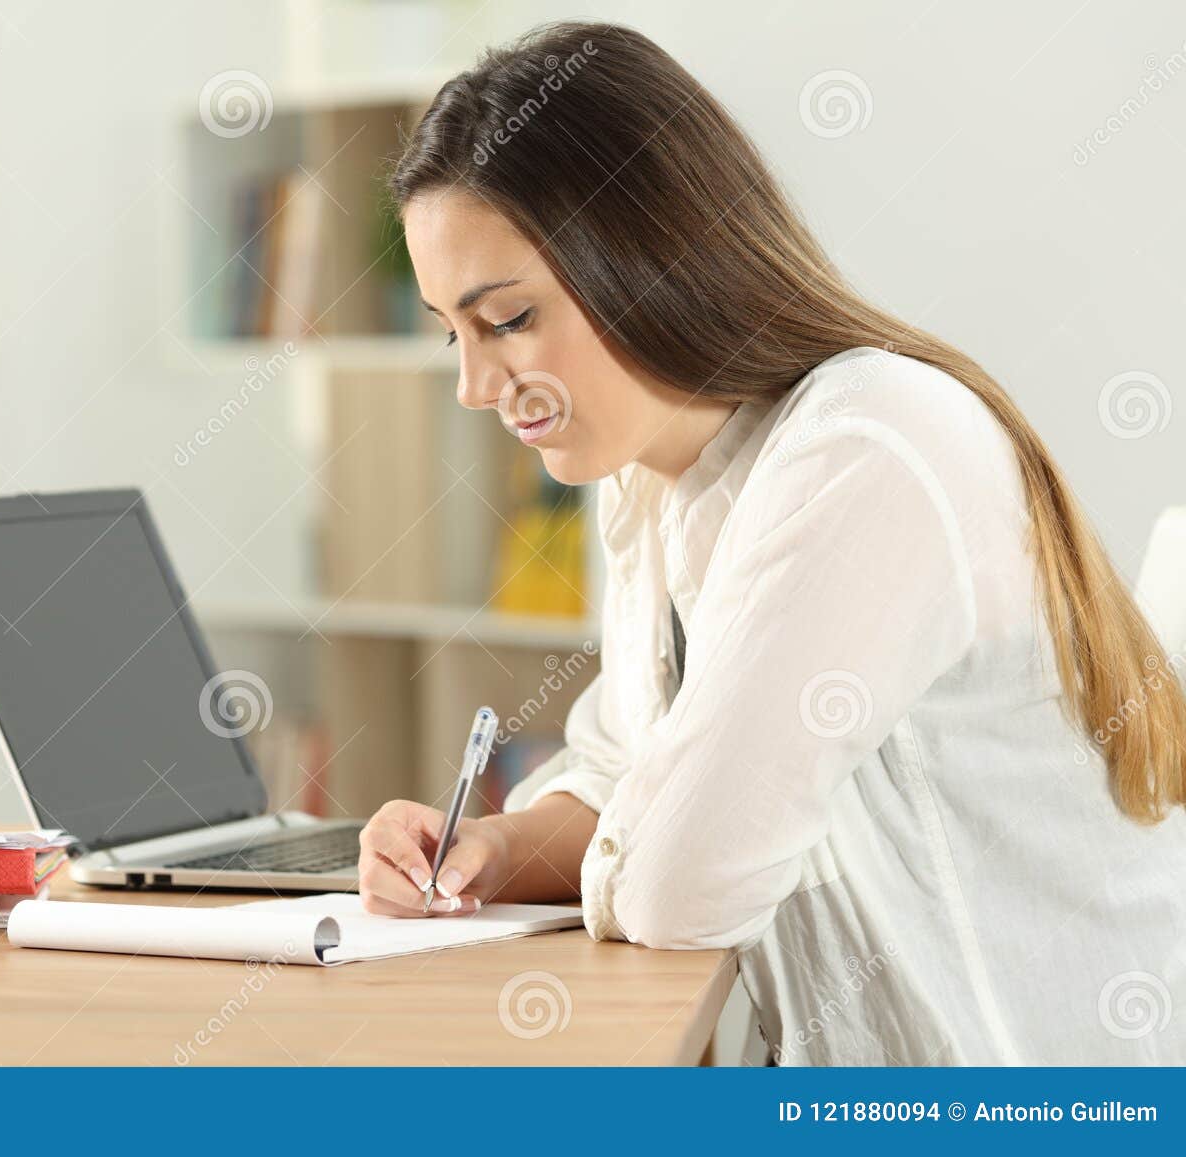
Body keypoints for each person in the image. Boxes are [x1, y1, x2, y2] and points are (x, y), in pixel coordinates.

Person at [355, 21, 1186, 1065]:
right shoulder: (653, 478)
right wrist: (492, 848)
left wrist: (631, 829)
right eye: (450, 330)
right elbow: (624, 768)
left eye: (508, 318)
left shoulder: (868, 447)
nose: (476, 385)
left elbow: (682, 884)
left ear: (651, 256)